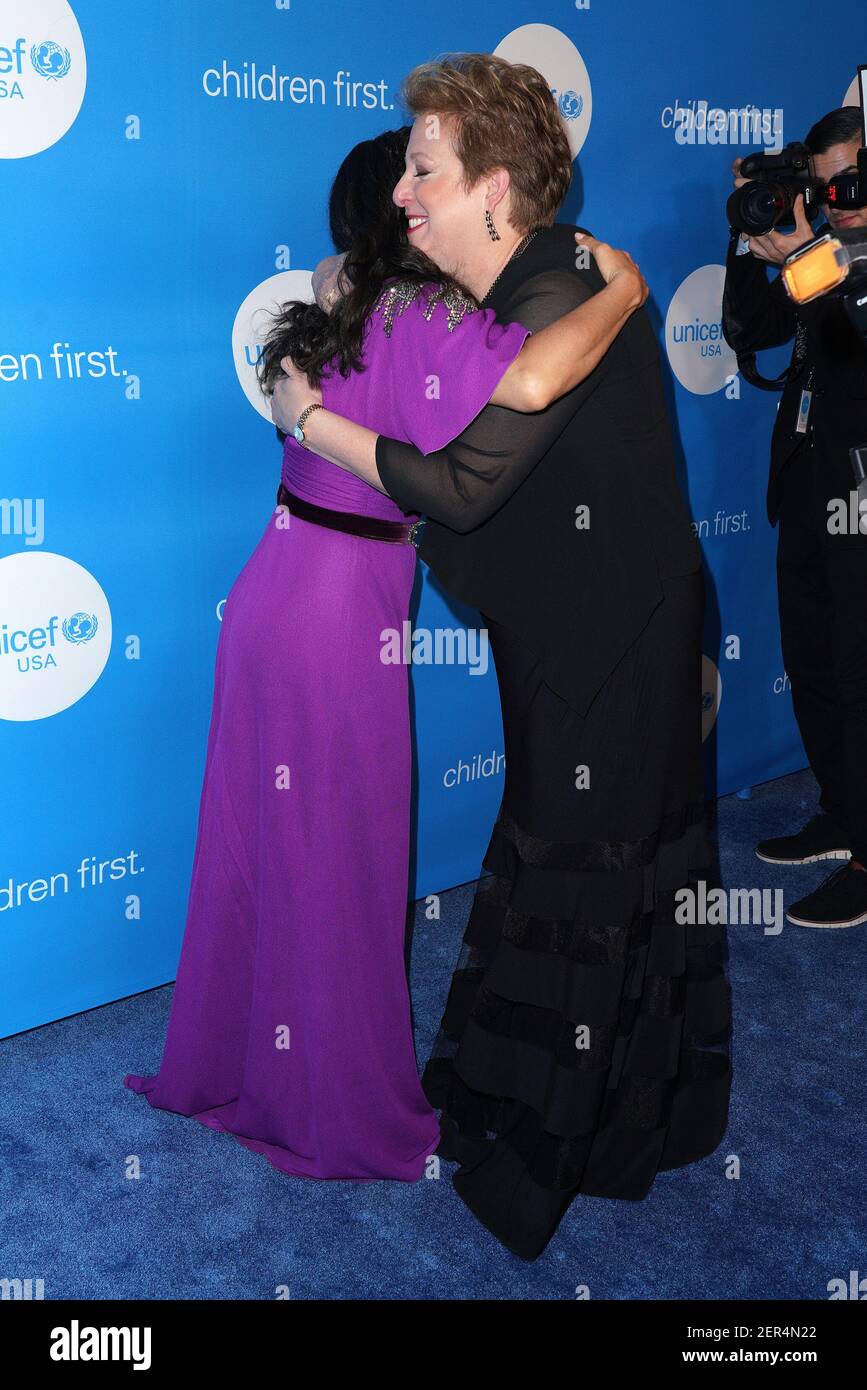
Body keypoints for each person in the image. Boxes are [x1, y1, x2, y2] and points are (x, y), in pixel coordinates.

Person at [273, 54, 732, 1258]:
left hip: (616, 634)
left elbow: (463, 489)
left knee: (590, 867)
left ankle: (559, 1142)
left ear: (496, 186)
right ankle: (633, 1113)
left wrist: (311, 419)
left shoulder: (564, 275)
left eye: (423, 172)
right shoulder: (543, 282)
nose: (402, 196)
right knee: (586, 858)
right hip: (573, 622)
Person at [123, 127, 646, 1183]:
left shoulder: (335, 289)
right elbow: (541, 379)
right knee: (343, 861)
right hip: (337, 620)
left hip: (270, 593)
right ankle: (334, 1110)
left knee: (259, 843)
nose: (431, 196)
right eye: (419, 183)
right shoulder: (432, 315)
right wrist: (623, 287)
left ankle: (231, 1066)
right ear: (405, 210)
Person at [723, 106, 867, 929]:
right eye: (821, 188)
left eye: (849, 183)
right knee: (811, 656)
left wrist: (813, 260)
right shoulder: (814, 247)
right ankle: (844, 812)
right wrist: (750, 236)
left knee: (857, 669)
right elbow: (751, 329)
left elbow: (850, 353)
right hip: (809, 477)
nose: (836, 202)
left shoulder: (839, 260)